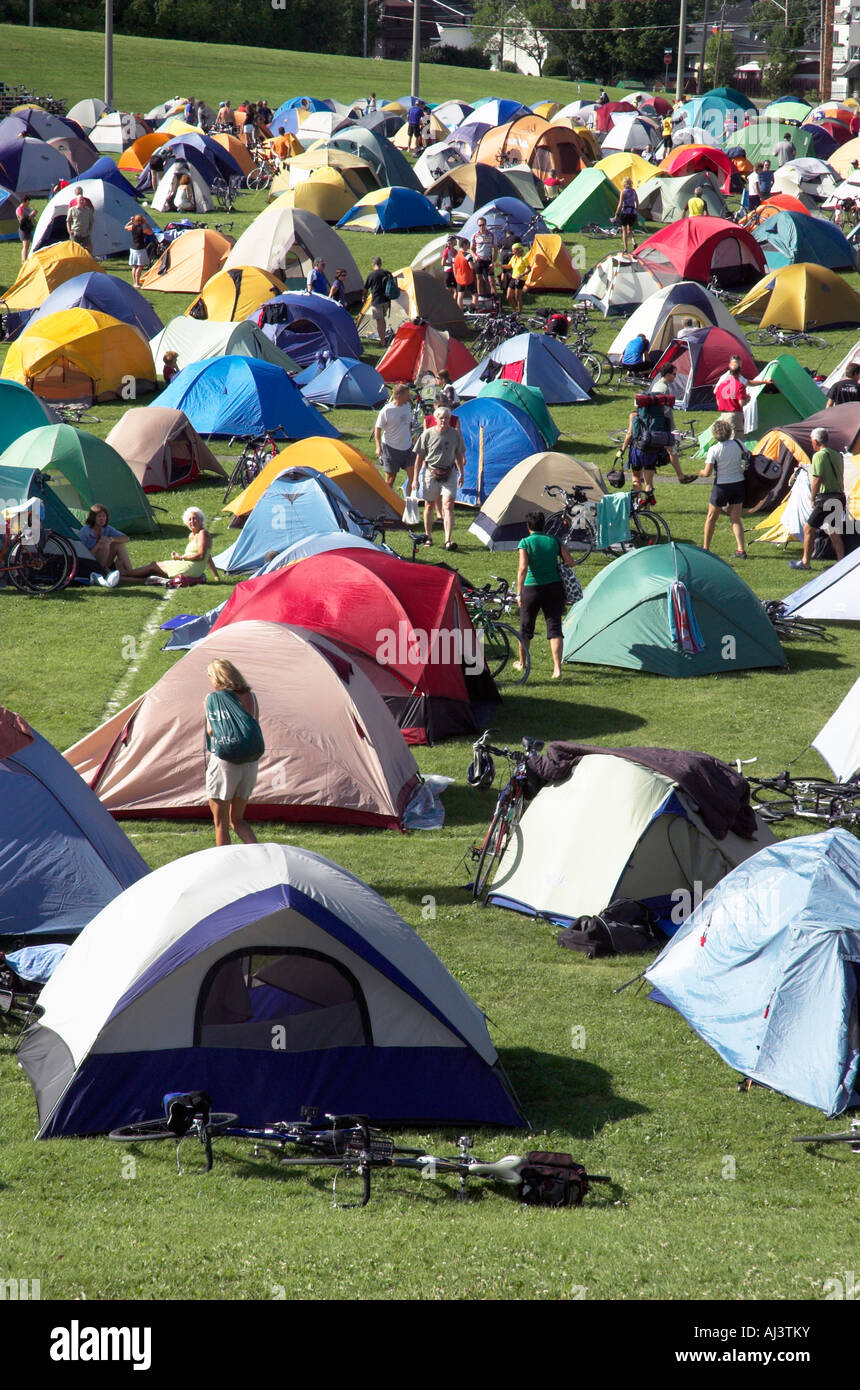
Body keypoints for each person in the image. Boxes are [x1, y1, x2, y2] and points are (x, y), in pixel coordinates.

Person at [204, 659, 262, 848]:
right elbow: (254, 725)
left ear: (218, 679)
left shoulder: (212, 699)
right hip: (250, 763)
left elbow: (212, 731)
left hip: (224, 762)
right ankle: (261, 857)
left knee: (221, 823)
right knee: (237, 820)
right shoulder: (251, 697)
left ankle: (225, 867)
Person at [515, 510, 574, 679]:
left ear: (528, 526)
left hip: (532, 589)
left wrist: (519, 593)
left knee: (526, 628)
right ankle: (557, 669)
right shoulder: (555, 540)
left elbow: (522, 568)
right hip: (555, 588)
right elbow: (570, 562)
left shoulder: (525, 542)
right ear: (544, 525)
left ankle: (522, 663)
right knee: (555, 628)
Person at [789, 427, 846, 570]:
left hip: (825, 498)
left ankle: (805, 562)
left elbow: (817, 479)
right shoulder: (837, 455)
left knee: (808, 528)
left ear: (815, 441)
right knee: (833, 531)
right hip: (839, 497)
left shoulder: (819, 456)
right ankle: (842, 564)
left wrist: (812, 498)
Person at [121, 506, 220, 584]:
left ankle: (127, 573)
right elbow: (208, 555)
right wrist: (216, 576)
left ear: (201, 520)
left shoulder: (203, 533)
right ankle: (128, 577)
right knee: (155, 568)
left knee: (153, 565)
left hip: (191, 569)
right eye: (189, 520)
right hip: (190, 567)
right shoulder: (192, 535)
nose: (192, 522)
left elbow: (202, 555)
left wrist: (181, 557)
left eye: (195, 519)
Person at [414, 406, 465, 550]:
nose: (444, 421)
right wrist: (415, 478)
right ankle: (428, 536)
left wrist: (462, 473)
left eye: (447, 418)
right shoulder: (427, 434)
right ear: (436, 419)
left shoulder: (455, 435)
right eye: (441, 418)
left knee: (448, 505)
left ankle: (448, 540)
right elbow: (419, 457)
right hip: (431, 472)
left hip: (449, 473)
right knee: (429, 505)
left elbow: (459, 454)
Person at [699, 419, 748, 559]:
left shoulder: (714, 449)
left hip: (721, 486)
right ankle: (741, 550)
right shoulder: (739, 444)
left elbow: (707, 472)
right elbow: (748, 455)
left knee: (711, 519)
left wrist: (701, 472)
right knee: (736, 519)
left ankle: (706, 548)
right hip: (738, 483)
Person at [649, 363, 698, 484]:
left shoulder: (662, 385)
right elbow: (660, 408)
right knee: (671, 450)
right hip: (663, 425)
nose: (675, 377)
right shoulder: (662, 388)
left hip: (662, 425)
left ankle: (680, 476)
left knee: (669, 450)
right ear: (667, 374)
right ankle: (680, 477)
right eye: (674, 374)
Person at [78, 505, 133, 586]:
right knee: (104, 544)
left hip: (105, 560)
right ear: (93, 518)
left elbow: (126, 538)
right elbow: (82, 556)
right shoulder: (85, 531)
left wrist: (112, 539)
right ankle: (104, 571)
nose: (102, 518)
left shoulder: (106, 528)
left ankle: (130, 571)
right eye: (99, 516)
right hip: (90, 563)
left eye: (104, 516)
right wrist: (98, 545)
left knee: (118, 544)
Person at [374, 383, 414, 487]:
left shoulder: (408, 406)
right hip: (390, 448)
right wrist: (378, 447)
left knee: (413, 476)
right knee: (390, 480)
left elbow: (408, 425)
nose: (409, 397)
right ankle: (386, 502)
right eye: (407, 395)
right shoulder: (386, 410)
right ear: (399, 396)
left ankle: (408, 501)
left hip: (408, 447)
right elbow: (377, 429)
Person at [714, 354, 762, 439]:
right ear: (730, 365)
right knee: (735, 437)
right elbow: (716, 391)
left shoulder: (738, 378)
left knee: (726, 437)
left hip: (725, 412)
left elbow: (749, 382)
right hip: (733, 413)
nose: (738, 366)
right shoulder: (729, 379)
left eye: (739, 364)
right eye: (735, 364)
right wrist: (746, 398)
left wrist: (764, 382)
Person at [364, 255, 391, 347]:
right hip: (387, 300)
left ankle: (382, 342)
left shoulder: (372, 275)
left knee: (380, 320)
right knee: (382, 319)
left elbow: (365, 289)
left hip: (377, 301)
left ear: (373, 264)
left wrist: (364, 297)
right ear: (380, 263)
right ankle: (383, 337)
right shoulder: (387, 273)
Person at [470, 216, 496, 300]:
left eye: (483, 225)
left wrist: (493, 261)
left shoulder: (491, 235)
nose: (481, 227)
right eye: (480, 225)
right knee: (479, 279)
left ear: (486, 225)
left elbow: (495, 249)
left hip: (488, 260)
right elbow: (471, 249)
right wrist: (475, 256)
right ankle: (480, 297)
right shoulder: (475, 236)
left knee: (491, 281)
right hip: (479, 260)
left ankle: (494, 298)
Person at [66, 186, 94, 252]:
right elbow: (68, 219)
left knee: (88, 246)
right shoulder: (72, 206)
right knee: (74, 248)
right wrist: (69, 230)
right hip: (76, 231)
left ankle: (88, 259)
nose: (81, 201)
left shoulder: (87, 203)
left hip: (85, 231)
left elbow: (91, 213)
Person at [125, 213, 149, 288]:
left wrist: (131, 221)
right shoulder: (142, 228)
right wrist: (146, 222)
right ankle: (137, 283)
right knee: (140, 266)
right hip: (140, 248)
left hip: (133, 248)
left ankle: (135, 282)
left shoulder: (133, 226)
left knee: (134, 266)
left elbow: (125, 227)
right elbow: (150, 231)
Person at [615, 177, 639, 253]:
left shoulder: (623, 192)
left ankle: (625, 249)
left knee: (624, 231)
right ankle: (633, 242)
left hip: (625, 212)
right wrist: (636, 212)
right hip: (632, 213)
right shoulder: (634, 191)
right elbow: (637, 204)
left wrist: (616, 213)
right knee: (630, 229)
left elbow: (620, 204)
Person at [506, 240, 529, 312]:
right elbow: (509, 266)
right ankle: (514, 311)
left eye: (513, 250)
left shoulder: (524, 258)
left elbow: (529, 269)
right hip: (513, 278)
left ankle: (519, 312)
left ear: (518, 250)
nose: (512, 252)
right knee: (508, 297)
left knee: (517, 297)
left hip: (520, 279)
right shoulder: (514, 257)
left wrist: (522, 274)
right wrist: (498, 265)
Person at [453, 241, 475, 309]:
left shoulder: (456, 256)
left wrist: (456, 276)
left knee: (460, 296)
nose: (469, 246)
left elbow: (454, 268)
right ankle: (472, 309)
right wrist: (476, 264)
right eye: (468, 244)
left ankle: (461, 312)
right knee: (475, 295)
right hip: (468, 278)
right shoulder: (468, 255)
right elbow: (472, 267)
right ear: (464, 244)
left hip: (459, 278)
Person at [16, 195, 36, 261]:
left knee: (27, 246)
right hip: (23, 228)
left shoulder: (24, 209)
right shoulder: (20, 209)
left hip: (27, 228)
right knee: (25, 246)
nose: (28, 204)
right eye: (27, 202)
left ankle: (25, 259)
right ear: (24, 202)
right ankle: (24, 260)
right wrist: (31, 215)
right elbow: (23, 220)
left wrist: (32, 215)